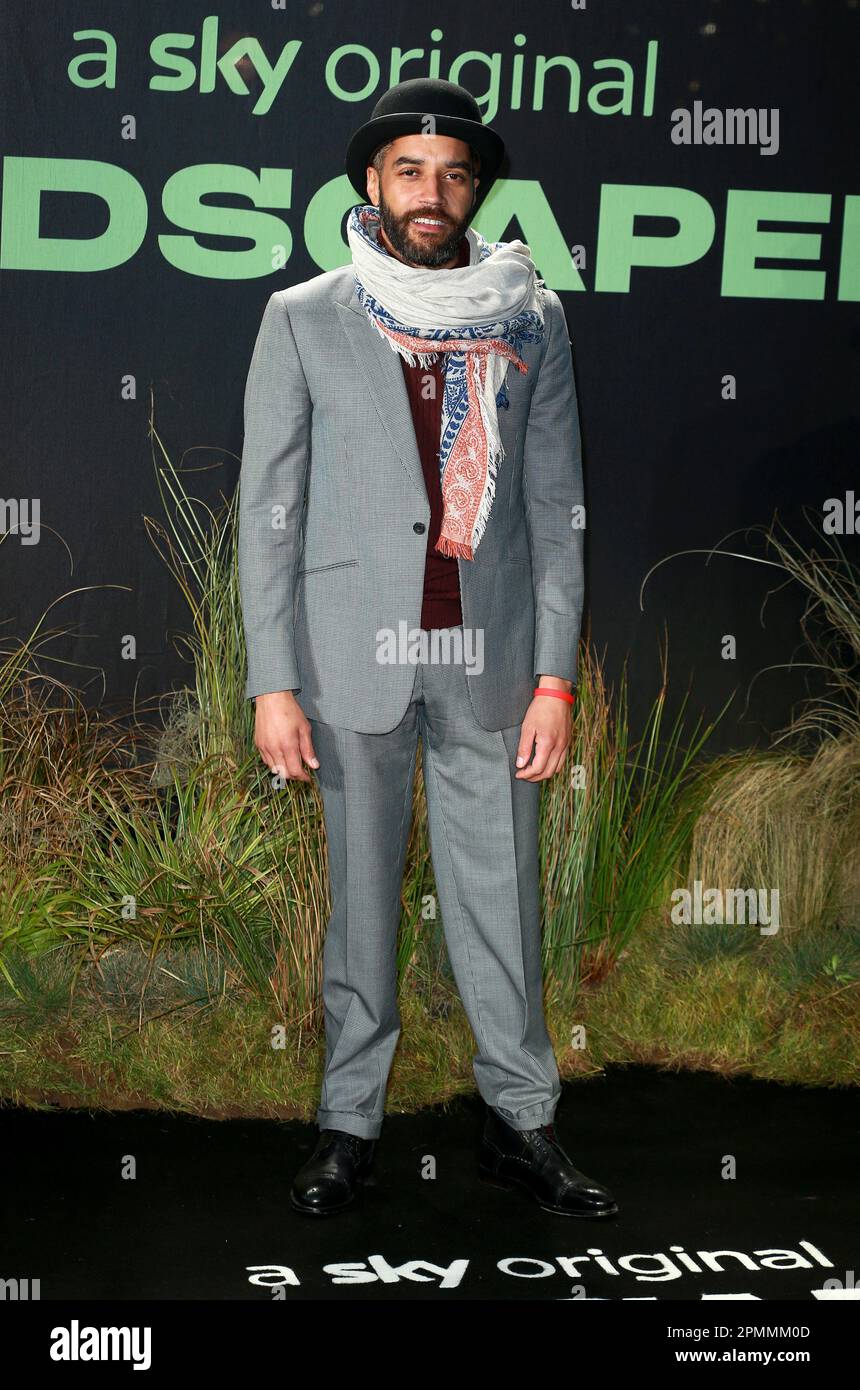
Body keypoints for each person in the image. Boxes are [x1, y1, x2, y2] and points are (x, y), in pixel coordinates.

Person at [237, 77, 618, 1220]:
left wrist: (554, 675)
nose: (431, 193)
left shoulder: (530, 318)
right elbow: (270, 510)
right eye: (409, 170)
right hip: (352, 661)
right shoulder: (302, 316)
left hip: (489, 663)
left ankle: (520, 1120)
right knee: (360, 906)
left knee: (500, 905)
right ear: (370, 184)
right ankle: (347, 1126)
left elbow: (557, 509)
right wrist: (272, 681)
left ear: (474, 192)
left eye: (453, 175)